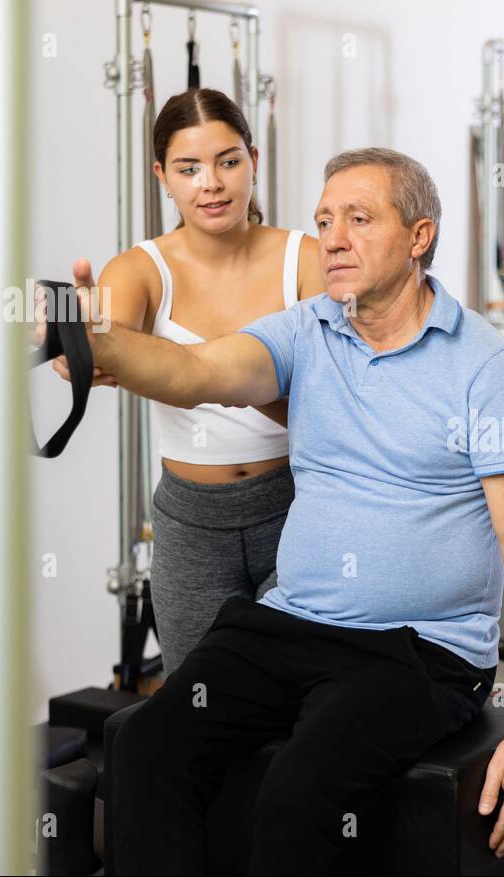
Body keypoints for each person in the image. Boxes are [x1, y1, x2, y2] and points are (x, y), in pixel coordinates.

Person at [71, 147, 504, 874]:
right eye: (325, 220)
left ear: (419, 237)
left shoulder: (488, 371)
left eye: (359, 219)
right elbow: (199, 370)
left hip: (418, 653)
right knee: (143, 744)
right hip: (289, 624)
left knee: (296, 793)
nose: (332, 238)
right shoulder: (307, 329)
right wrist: (96, 340)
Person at [57, 88, 325, 675]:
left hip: (299, 506)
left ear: (255, 159)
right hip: (190, 522)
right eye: (189, 168)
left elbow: (334, 392)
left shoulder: (305, 259)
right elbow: (111, 336)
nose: (212, 183)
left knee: (300, 694)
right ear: (162, 176)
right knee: (199, 701)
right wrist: (79, 342)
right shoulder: (138, 269)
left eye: (229, 161)